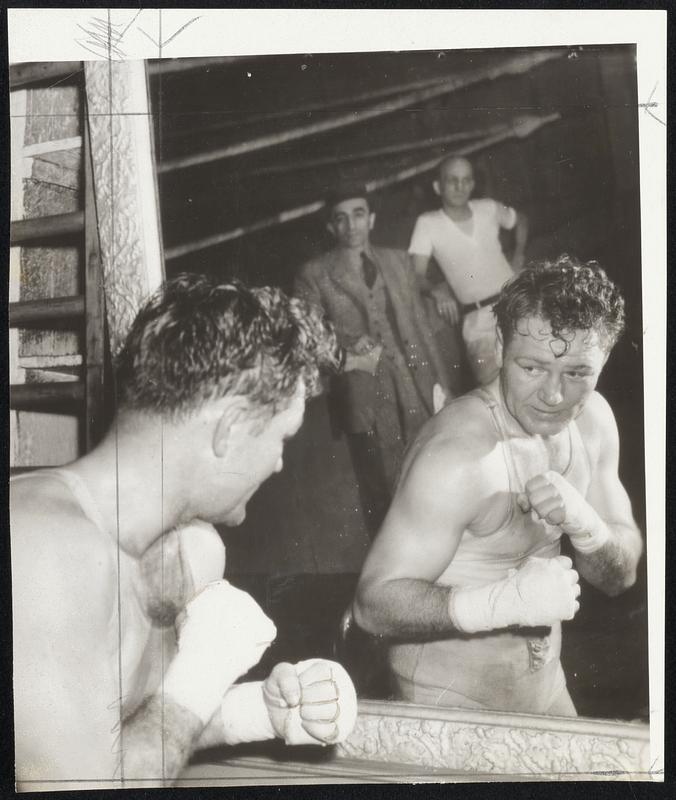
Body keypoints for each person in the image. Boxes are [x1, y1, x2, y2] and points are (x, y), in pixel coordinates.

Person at [11, 274, 358, 789]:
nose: (280, 465)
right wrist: (205, 671)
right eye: (282, 439)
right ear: (230, 429)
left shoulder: (188, 553)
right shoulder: (42, 546)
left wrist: (249, 714)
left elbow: (109, 742)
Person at [354, 256, 643, 715]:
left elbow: (620, 576)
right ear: (501, 343)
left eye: (576, 373)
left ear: (603, 360)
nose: (552, 396)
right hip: (446, 706)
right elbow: (372, 606)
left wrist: (589, 528)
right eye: (532, 368)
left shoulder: (593, 424)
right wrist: (498, 604)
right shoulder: (457, 456)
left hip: (545, 691)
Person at [295, 180, 453, 536]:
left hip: (416, 381)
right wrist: (349, 339)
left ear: (372, 219)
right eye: (341, 219)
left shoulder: (398, 261)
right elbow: (307, 335)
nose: (351, 226)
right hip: (364, 390)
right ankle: (390, 560)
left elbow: (421, 330)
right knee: (379, 479)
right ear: (330, 227)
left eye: (359, 215)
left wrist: (443, 384)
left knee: (429, 464)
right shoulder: (314, 274)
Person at [409, 154, 529, 386]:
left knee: (538, 380)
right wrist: (437, 291)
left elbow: (521, 219)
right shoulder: (427, 223)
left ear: (473, 184)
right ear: (438, 186)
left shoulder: (489, 208)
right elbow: (416, 275)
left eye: (465, 180)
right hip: (478, 324)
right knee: (495, 395)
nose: (459, 186)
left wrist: (519, 253)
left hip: (520, 305)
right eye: (452, 180)